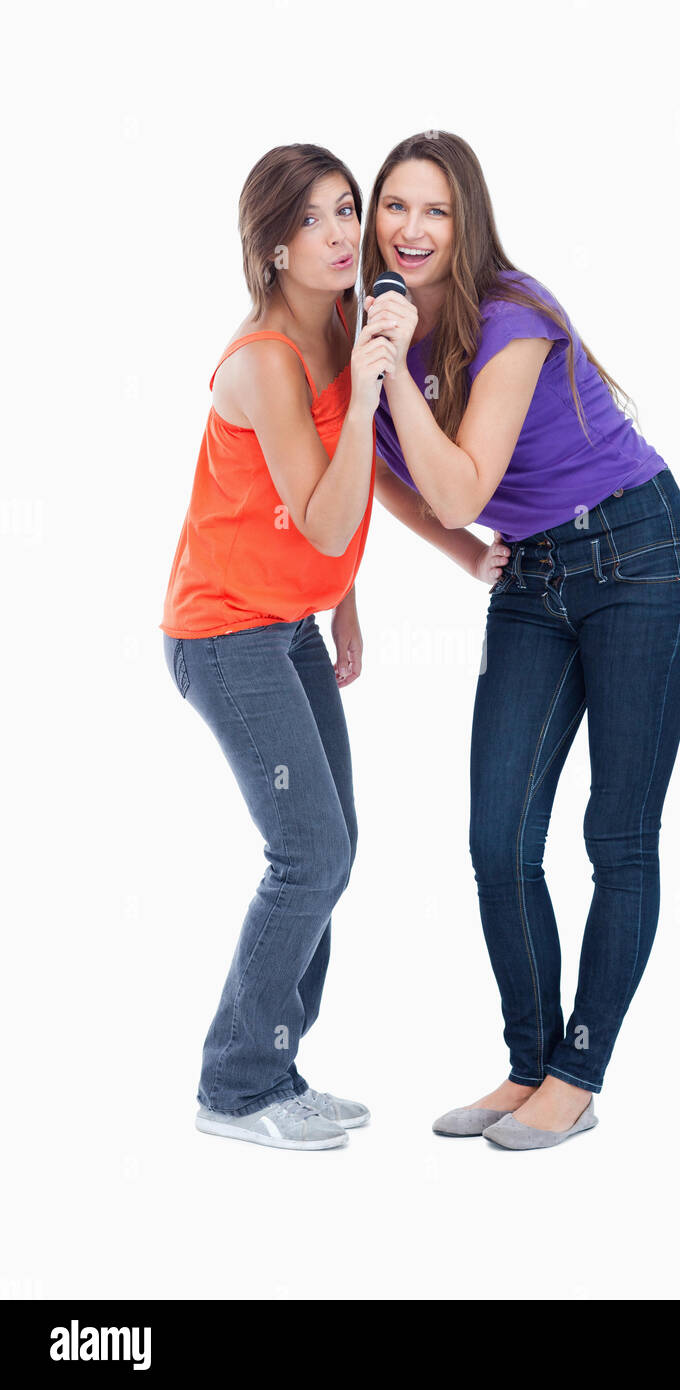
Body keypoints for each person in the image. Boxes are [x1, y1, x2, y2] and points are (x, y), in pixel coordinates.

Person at [365, 131, 680, 1150]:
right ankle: (526, 1065)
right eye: (394, 206)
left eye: (434, 209)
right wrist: (459, 556)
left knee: (615, 836)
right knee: (496, 838)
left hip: (636, 554)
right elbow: (390, 477)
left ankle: (578, 1072)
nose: (412, 229)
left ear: (465, 219)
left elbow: (461, 481)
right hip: (531, 569)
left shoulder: (511, 315)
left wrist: (388, 369)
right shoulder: (374, 335)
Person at [159, 144, 400, 1151]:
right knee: (310, 854)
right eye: (314, 220)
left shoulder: (342, 323)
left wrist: (341, 601)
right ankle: (236, 1085)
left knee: (331, 850)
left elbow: (338, 514)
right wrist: (374, 385)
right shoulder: (264, 361)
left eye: (347, 209)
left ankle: (276, 1065)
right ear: (271, 245)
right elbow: (317, 508)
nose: (343, 234)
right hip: (223, 634)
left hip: (287, 624)